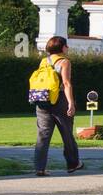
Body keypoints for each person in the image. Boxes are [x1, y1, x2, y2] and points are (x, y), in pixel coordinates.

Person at [34, 36, 83, 176]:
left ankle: (39, 168)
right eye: (66, 45)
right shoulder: (64, 62)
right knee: (66, 133)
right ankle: (73, 164)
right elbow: (66, 84)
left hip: (43, 100)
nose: (68, 48)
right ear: (62, 47)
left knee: (43, 135)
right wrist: (71, 103)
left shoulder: (43, 61)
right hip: (60, 100)